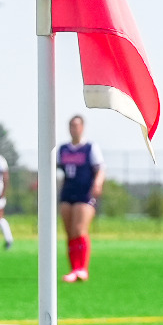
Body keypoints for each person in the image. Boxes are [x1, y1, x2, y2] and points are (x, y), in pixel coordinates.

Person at [56, 115, 105, 282]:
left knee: (79, 230)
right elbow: (54, 168)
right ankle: (73, 269)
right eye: (71, 125)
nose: (73, 129)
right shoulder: (63, 149)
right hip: (67, 193)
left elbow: (100, 169)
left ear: (82, 128)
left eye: (76, 126)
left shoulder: (90, 147)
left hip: (84, 194)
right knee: (69, 232)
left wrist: (98, 184)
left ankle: (82, 268)